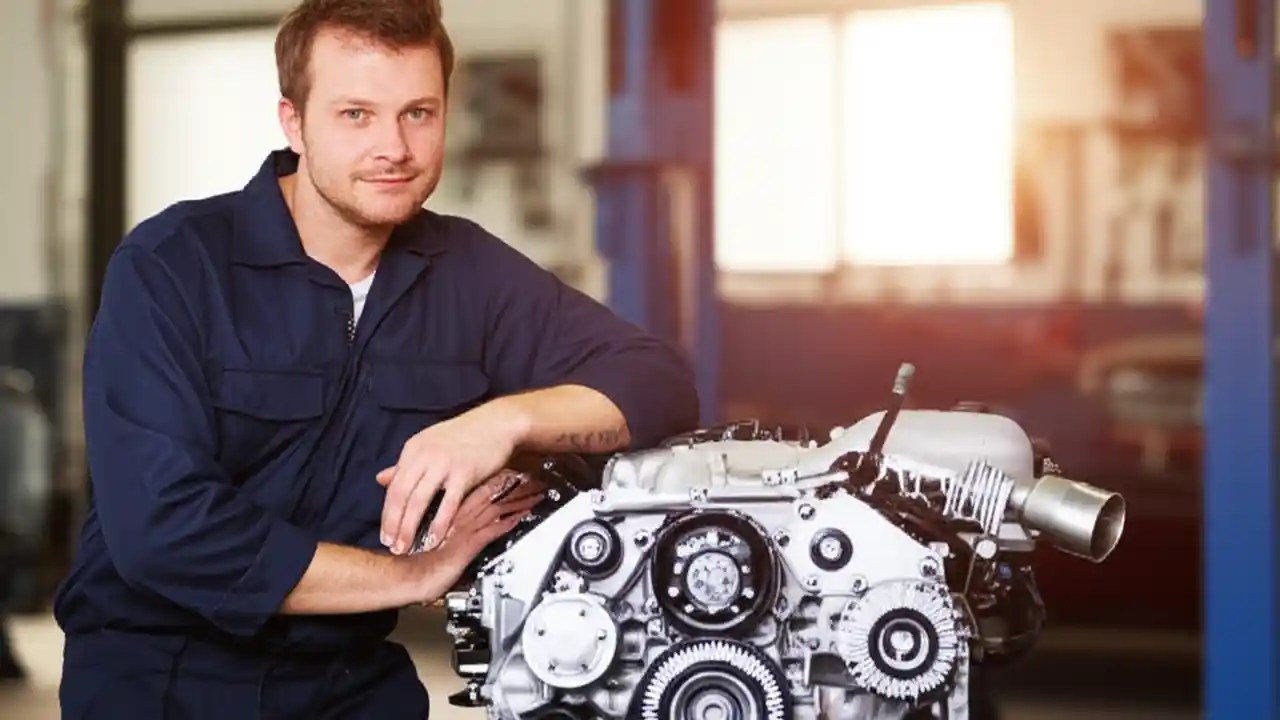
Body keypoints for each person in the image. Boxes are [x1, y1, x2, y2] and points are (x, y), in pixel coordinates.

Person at [52, 0, 700, 716]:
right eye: (355, 114)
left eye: (418, 112)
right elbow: (164, 531)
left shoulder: (469, 273)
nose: (393, 146)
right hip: (158, 678)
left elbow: (655, 380)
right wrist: (411, 575)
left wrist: (502, 423)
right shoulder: (172, 266)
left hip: (346, 681)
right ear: (292, 122)